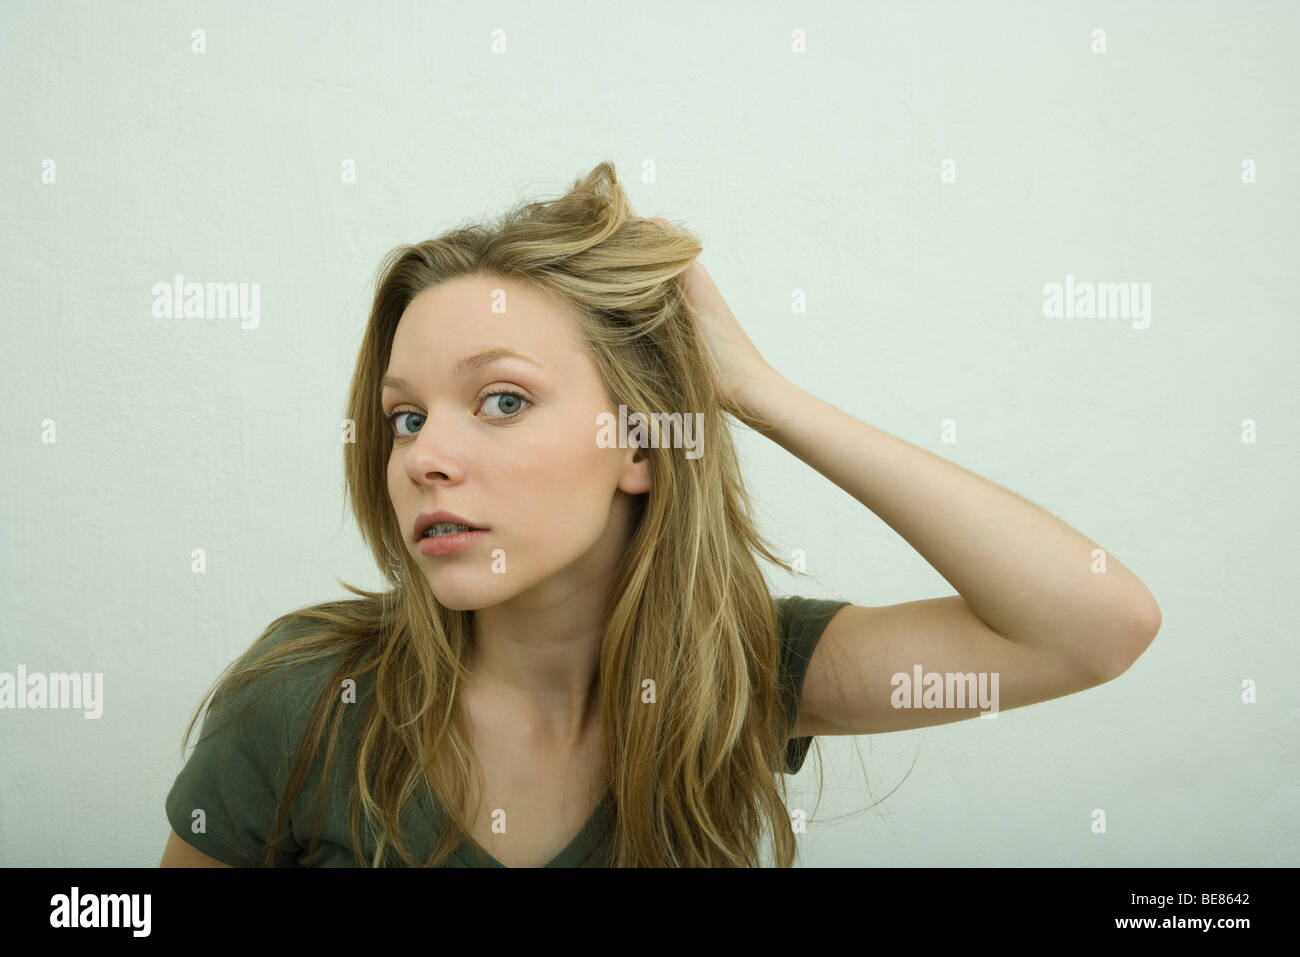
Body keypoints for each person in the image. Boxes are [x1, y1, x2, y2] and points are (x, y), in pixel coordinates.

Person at [160, 161, 1160, 868]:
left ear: (639, 444)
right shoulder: (304, 699)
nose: (424, 456)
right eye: (405, 416)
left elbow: (1094, 628)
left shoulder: (741, 677)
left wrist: (759, 393)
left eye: (501, 400)